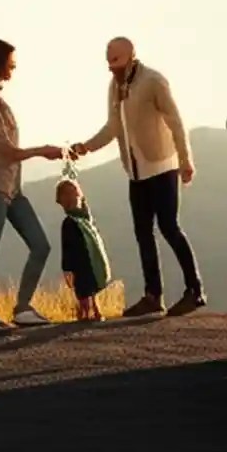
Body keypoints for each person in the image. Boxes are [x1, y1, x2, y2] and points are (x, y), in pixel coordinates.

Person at [70, 37, 205, 319]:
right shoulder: (114, 87)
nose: (111, 68)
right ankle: (153, 296)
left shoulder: (153, 81)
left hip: (162, 166)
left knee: (169, 227)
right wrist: (86, 147)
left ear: (131, 57)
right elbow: (113, 126)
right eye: (109, 63)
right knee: (143, 233)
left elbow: (175, 121)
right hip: (135, 171)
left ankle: (195, 290)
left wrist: (185, 160)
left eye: (116, 61)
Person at [0, 38, 65, 334]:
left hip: (12, 188)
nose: (13, 68)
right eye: (10, 63)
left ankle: (22, 308)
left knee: (40, 245)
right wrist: (42, 150)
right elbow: (6, 150)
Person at [57, 179, 110, 322]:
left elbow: (67, 248)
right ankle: (89, 312)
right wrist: (67, 268)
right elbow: (67, 247)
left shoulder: (82, 219)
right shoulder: (73, 222)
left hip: (86, 262)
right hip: (81, 264)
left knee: (87, 289)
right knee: (85, 289)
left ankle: (91, 311)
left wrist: (66, 267)